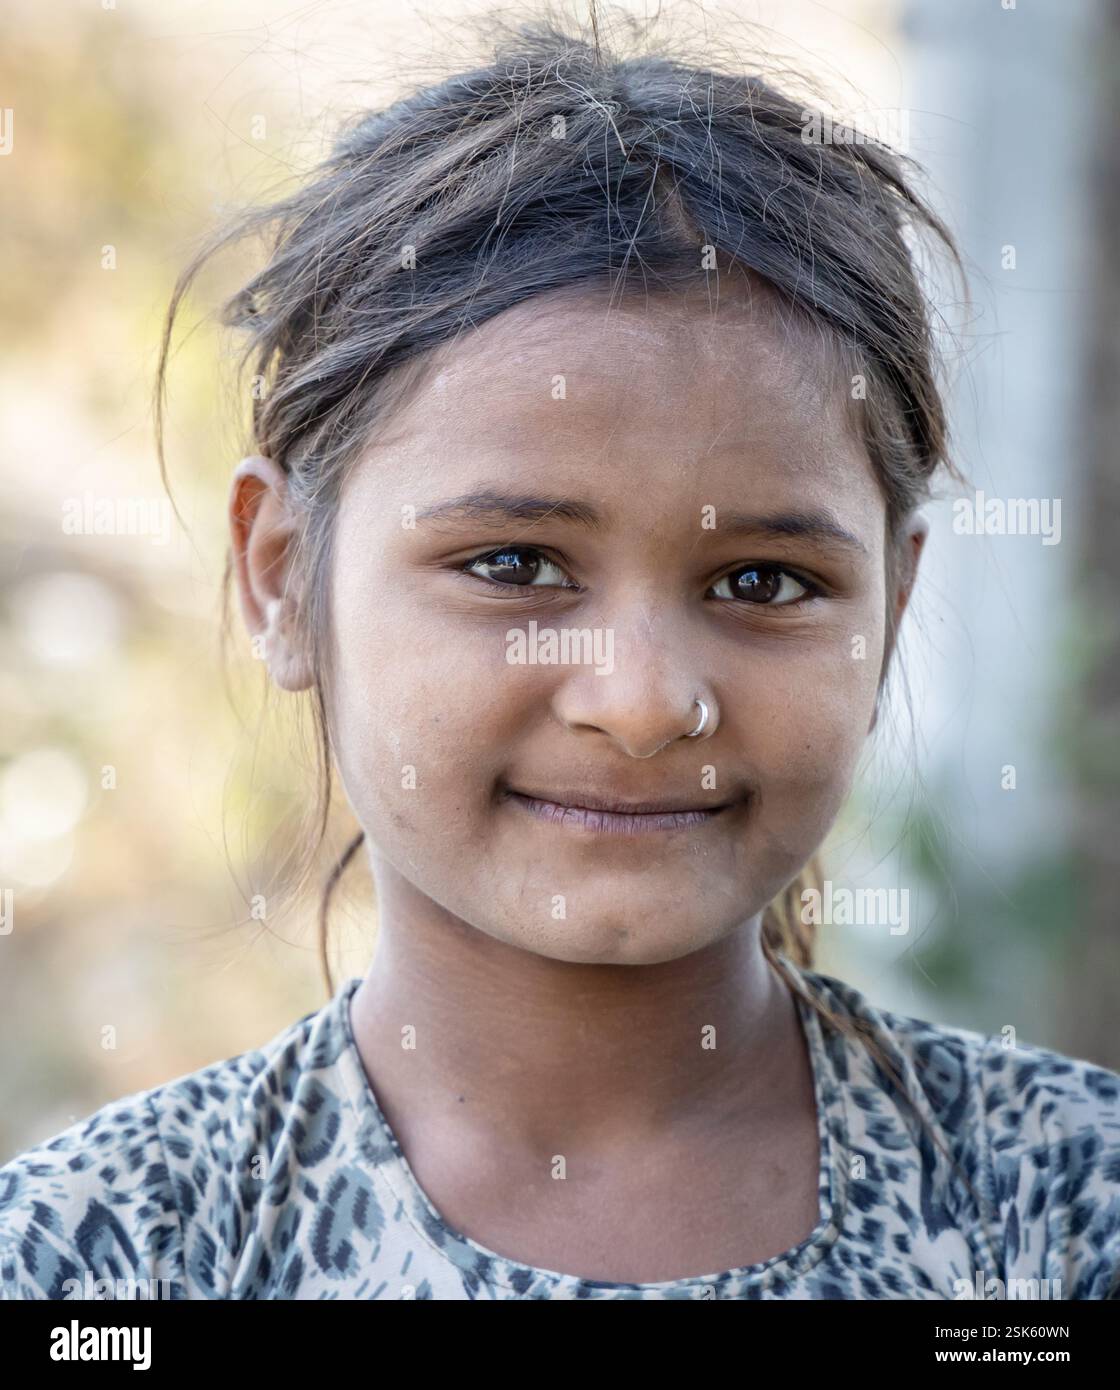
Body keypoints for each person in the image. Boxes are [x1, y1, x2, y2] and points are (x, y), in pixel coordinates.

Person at [2, 13, 1118, 1301]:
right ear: (283, 577)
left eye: (766, 581)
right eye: (514, 566)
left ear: (893, 606)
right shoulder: (107, 1262)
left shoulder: (1056, 1220)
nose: (644, 703)